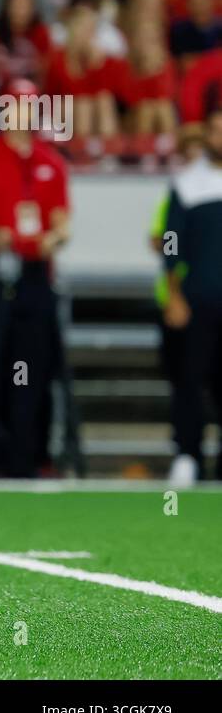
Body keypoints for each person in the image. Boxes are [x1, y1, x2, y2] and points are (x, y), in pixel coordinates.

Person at [0, 99, 71, 477]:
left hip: (34, 273)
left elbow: (62, 223)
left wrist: (50, 241)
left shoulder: (50, 161)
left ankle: (30, 454)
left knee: (34, 366)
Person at [162, 110, 222, 484]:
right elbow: (171, 243)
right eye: (216, 131)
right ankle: (188, 454)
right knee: (191, 378)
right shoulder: (187, 184)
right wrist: (174, 294)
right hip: (199, 299)